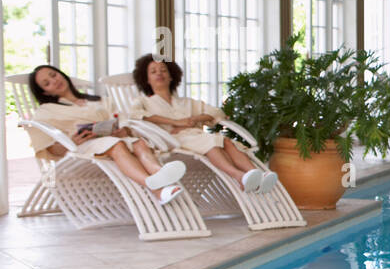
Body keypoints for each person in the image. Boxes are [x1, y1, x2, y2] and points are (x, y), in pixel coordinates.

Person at [26, 64, 188, 205]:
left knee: (139, 143)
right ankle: (157, 189)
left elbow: (122, 120)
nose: (54, 81)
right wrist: (71, 141)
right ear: (45, 93)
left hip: (115, 139)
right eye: (47, 83)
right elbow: (46, 147)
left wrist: (122, 130)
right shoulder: (46, 111)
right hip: (83, 147)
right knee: (116, 145)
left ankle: (159, 173)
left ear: (61, 74)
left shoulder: (99, 100)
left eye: (54, 75)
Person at [128, 55, 276, 194]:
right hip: (172, 140)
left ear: (171, 76)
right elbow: (136, 116)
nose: (159, 74)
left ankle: (259, 175)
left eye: (163, 70)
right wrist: (175, 122)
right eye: (153, 72)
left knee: (225, 141)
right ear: (146, 79)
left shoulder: (187, 102)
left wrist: (195, 119)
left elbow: (216, 112)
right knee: (211, 140)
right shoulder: (143, 102)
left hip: (196, 135)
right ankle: (239, 176)